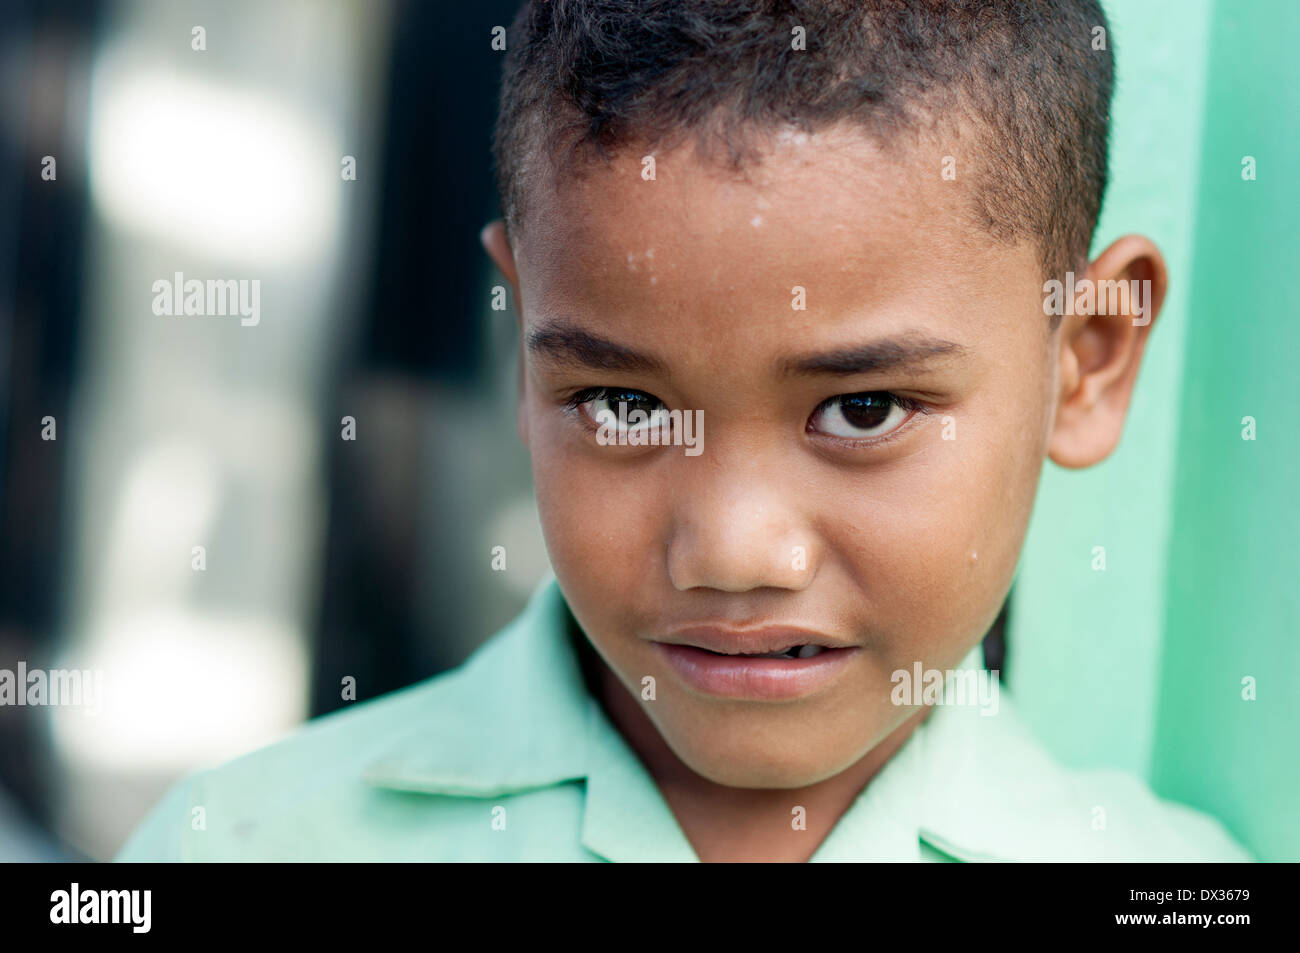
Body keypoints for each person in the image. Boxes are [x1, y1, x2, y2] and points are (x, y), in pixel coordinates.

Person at [117, 0, 1253, 862]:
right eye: (623, 404)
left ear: (1086, 358)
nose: (732, 551)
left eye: (862, 409)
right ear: (521, 342)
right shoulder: (241, 841)